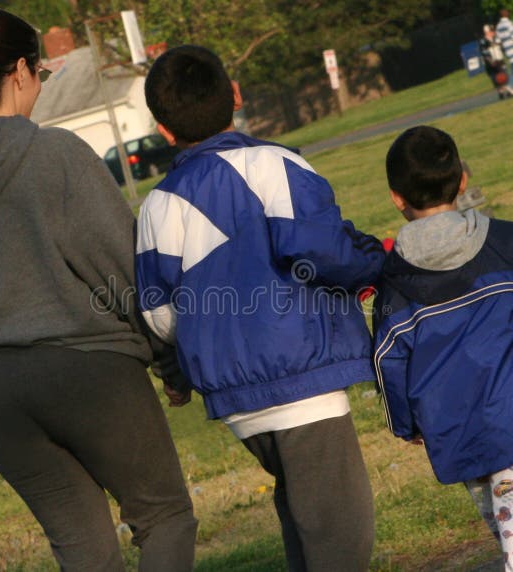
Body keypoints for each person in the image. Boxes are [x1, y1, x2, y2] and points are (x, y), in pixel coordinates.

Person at [0, 9, 197, 571]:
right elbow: (121, 266)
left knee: (82, 546)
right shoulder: (55, 153)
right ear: (19, 71)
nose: (39, 86)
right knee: (164, 517)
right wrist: (170, 360)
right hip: (88, 372)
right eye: (40, 73)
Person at [136, 45, 385, 571]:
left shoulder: (156, 204)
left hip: (236, 399)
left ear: (162, 130)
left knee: (304, 522)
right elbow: (326, 254)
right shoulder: (275, 164)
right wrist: (379, 261)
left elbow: (159, 316)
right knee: (343, 536)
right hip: (303, 381)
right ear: (236, 95)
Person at [372, 126, 513, 571]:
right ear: (462, 180)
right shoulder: (501, 243)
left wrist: (405, 423)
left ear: (396, 197)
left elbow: (387, 357)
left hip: (451, 428)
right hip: (510, 418)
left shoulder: (393, 279)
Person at [479, 25, 513, 99]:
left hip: (500, 60)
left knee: (504, 75)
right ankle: (501, 92)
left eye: (493, 30)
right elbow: (484, 53)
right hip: (491, 63)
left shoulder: (496, 38)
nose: (493, 32)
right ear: (487, 32)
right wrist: (491, 61)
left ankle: (508, 91)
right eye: (491, 31)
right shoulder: (483, 41)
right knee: (495, 78)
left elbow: (501, 47)